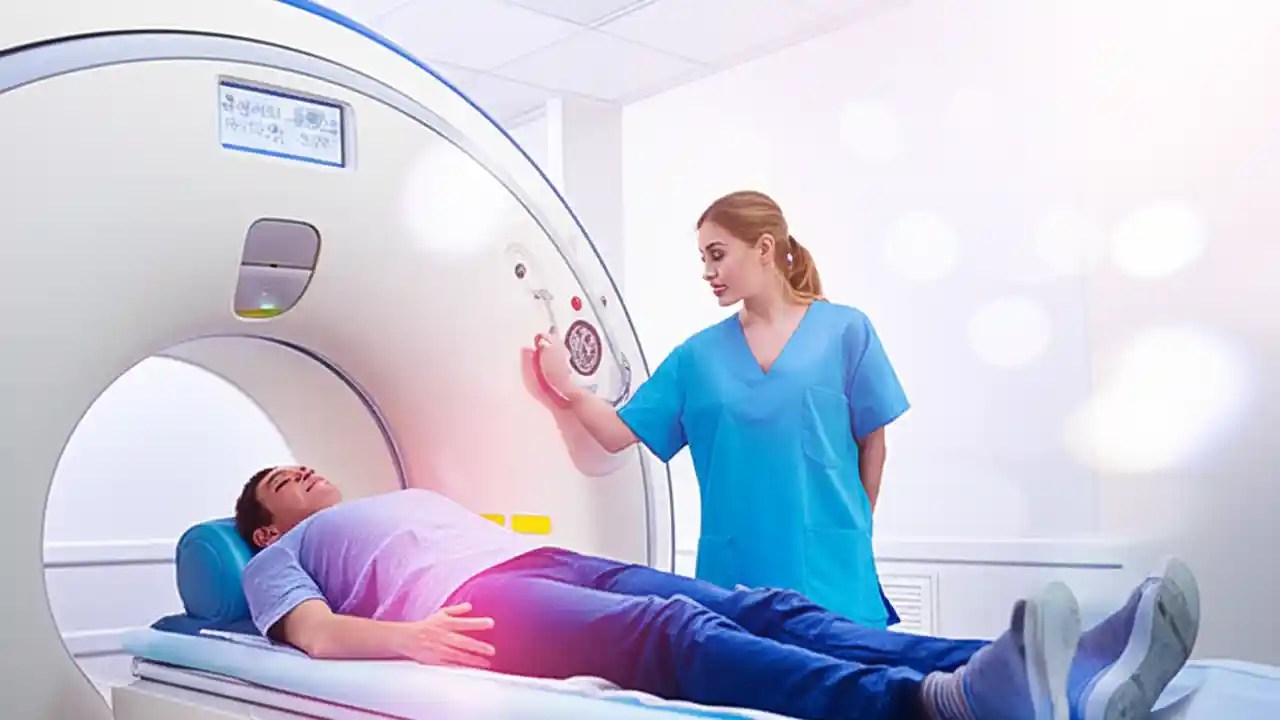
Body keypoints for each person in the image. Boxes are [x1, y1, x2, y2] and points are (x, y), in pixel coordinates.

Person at [234, 464, 1201, 720]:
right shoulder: (275, 556)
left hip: (539, 563)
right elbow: (313, 636)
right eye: (283, 477)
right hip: (475, 607)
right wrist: (409, 641)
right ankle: (930, 706)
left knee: (766, 606)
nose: (306, 472)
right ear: (267, 526)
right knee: (672, 631)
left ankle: (1052, 674)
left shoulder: (388, 496)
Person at [537, 189, 908, 628]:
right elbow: (618, 434)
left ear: (765, 248)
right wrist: (570, 388)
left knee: (852, 685)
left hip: (835, 575)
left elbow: (873, 444)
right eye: (703, 260)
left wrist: (852, 531)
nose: (708, 272)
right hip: (736, 580)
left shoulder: (846, 331)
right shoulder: (698, 357)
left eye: (717, 255)